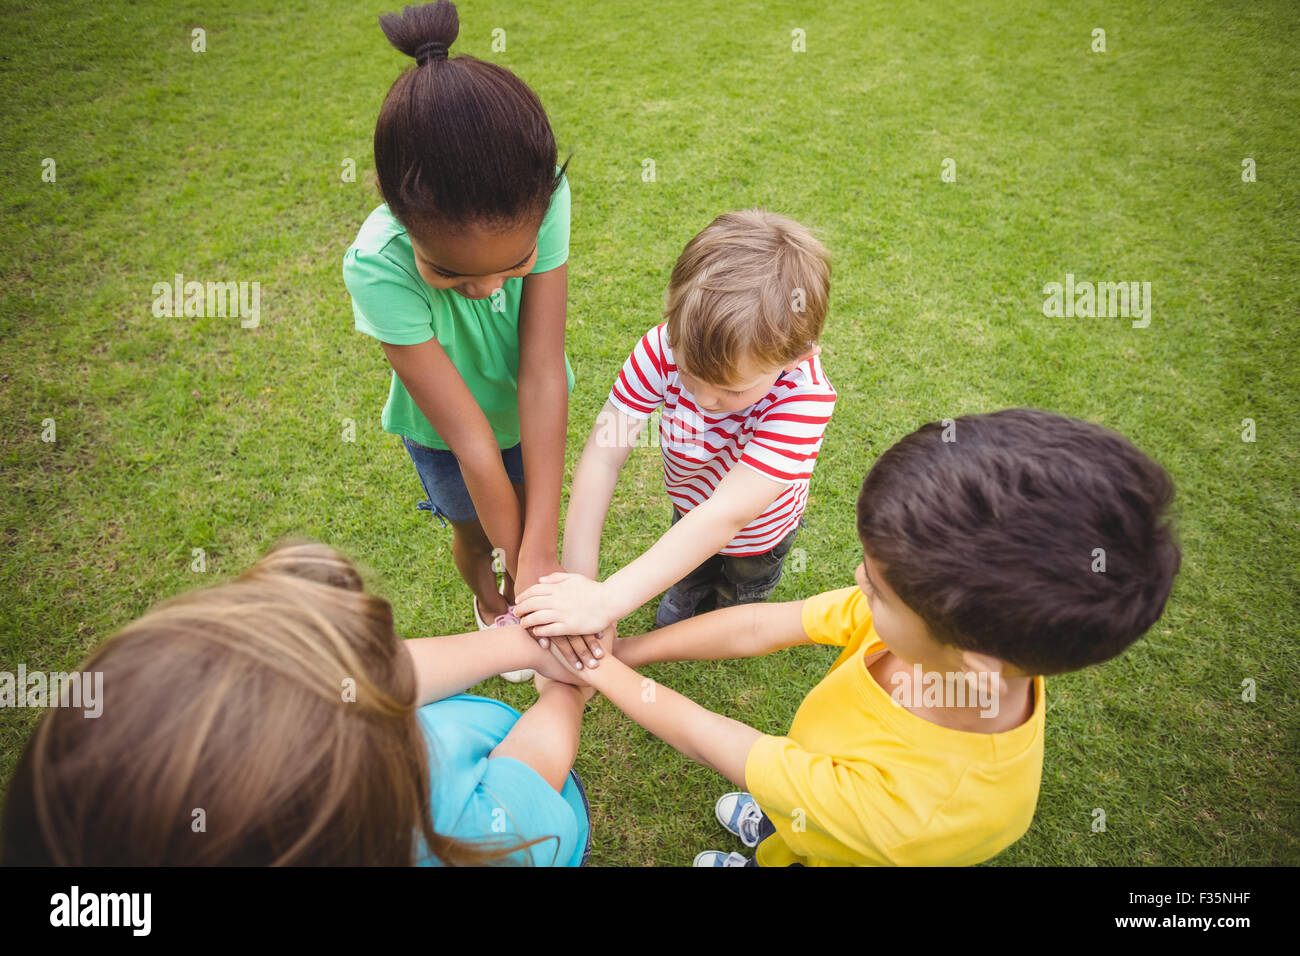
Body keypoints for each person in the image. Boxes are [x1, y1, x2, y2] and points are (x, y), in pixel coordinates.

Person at [550, 409, 1181, 866]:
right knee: (789, 813)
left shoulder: (913, 814)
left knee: (802, 847)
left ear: (976, 659)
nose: (858, 581)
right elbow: (760, 624)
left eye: (877, 589)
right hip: (817, 796)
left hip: (846, 846)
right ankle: (775, 824)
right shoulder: (951, 638)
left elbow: (722, 744)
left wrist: (600, 673)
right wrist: (621, 652)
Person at [1, 541, 594, 866]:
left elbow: (370, 679)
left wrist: (517, 643)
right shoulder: (476, 840)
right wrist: (567, 687)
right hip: (523, 791)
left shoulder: (314, 752)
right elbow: (530, 767)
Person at [344, 0, 586, 682]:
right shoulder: (375, 266)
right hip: (445, 435)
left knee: (525, 528)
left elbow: (539, 372)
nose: (486, 290)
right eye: (449, 272)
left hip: (530, 412)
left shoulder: (549, 200)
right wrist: (519, 567)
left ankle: (515, 590)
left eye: (513, 265)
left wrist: (539, 548)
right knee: (474, 536)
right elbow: (471, 439)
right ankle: (487, 603)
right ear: (398, 213)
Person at [514, 210, 836, 667]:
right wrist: (582, 586)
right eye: (690, 374)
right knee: (688, 572)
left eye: (732, 389)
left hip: (758, 535)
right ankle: (688, 592)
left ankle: (728, 610)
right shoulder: (662, 346)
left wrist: (607, 601)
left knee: (737, 593)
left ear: (796, 357)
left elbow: (726, 516)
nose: (705, 399)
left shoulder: (803, 399)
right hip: (689, 507)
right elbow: (603, 457)